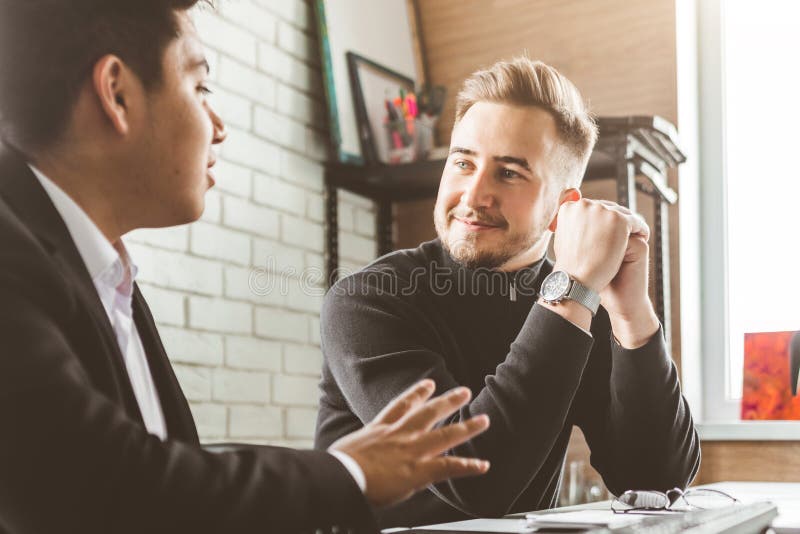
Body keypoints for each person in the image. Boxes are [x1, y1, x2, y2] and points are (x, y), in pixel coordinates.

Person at [0, 1, 492, 533]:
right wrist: (350, 473)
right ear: (117, 94)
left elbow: (155, 486)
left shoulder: (103, 275)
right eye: (199, 88)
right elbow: (105, 479)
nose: (218, 127)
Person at [315, 57, 701, 528]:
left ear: (563, 205)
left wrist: (632, 314)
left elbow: (657, 482)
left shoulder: (575, 307)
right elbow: (473, 479)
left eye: (510, 172)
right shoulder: (368, 300)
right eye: (462, 163)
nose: (474, 194)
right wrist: (574, 289)